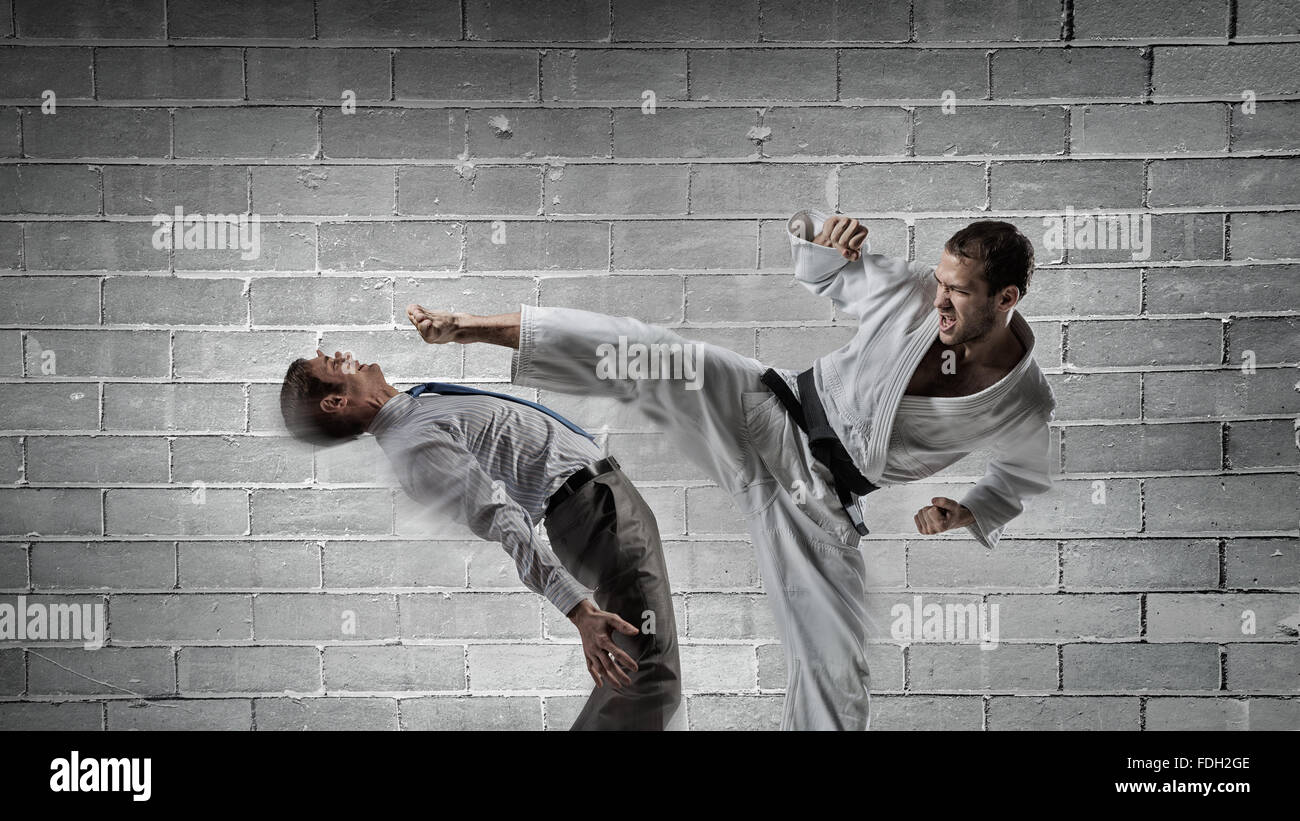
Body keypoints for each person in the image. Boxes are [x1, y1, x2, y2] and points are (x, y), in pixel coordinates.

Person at [403, 209, 1057, 730]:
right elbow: (820, 265)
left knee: (835, 672)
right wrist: (825, 241)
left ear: (1006, 297)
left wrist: (971, 508)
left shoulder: (1025, 401)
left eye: (959, 293)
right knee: (648, 355)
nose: (940, 300)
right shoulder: (915, 294)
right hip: (768, 408)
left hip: (820, 504)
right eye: (940, 282)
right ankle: (468, 328)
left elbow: (1019, 477)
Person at [278, 341, 682, 731]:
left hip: (600, 504)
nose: (345, 355)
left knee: (639, 669)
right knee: (647, 672)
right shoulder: (414, 444)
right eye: (334, 364)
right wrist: (578, 610)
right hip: (595, 512)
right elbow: (500, 516)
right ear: (334, 402)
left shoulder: (417, 412)